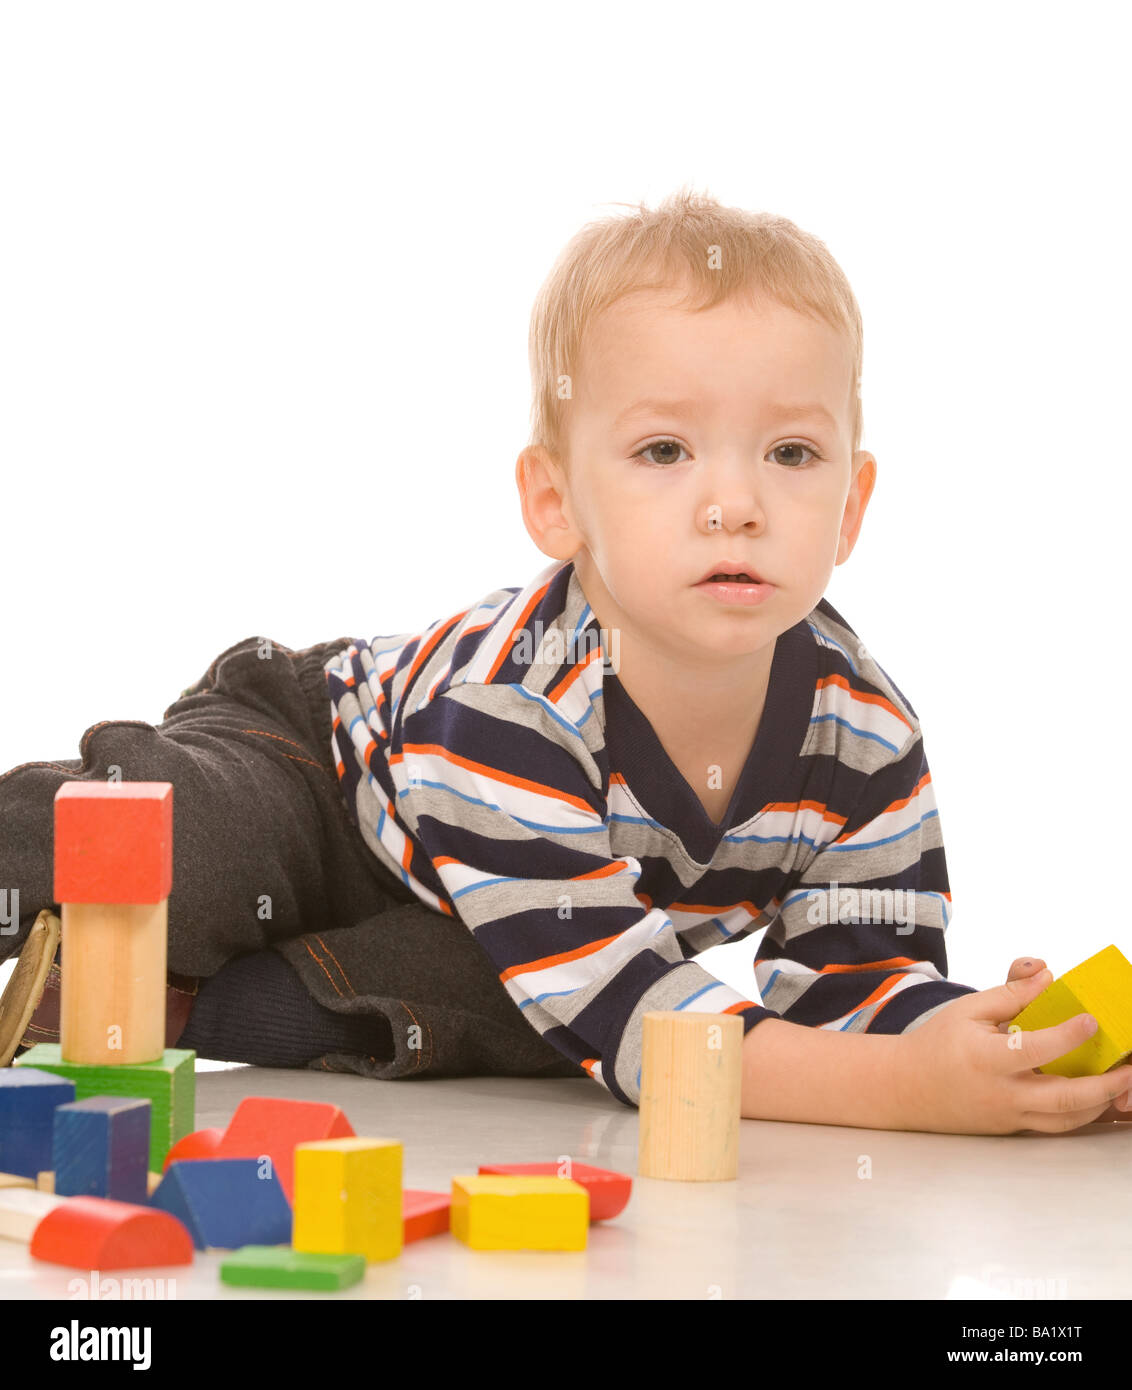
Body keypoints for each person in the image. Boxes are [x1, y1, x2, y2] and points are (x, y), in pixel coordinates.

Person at [4, 188, 1129, 1133]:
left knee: (521, 1029)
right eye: (663, 450)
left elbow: (846, 981)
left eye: (790, 452)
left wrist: (976, 1048)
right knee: (178, 839)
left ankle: (165, 996)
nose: (733, 503)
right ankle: (41, 890)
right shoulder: (519, 700)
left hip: (486, 904)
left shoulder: (862, 732)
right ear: (555, 501)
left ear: (851, 506)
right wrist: (902, 1095)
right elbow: (683, 1029)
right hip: (322, 772)